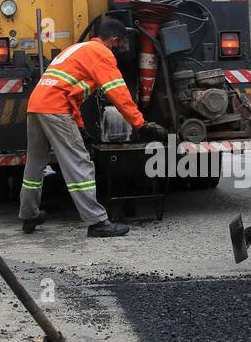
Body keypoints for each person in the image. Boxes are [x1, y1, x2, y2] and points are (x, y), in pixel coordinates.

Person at [20, 17, 166, 237]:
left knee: (35, 164)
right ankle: (97, 222)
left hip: (37, 106)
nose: (121, 50)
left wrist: (79, 126)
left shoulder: (78, 48)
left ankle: (29, 215)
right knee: (79, 163)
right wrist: (140, 123)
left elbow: (73, 94)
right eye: (121, 44)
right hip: (56, 109)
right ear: (114, 40)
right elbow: (118, 92)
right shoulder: (102, 54)